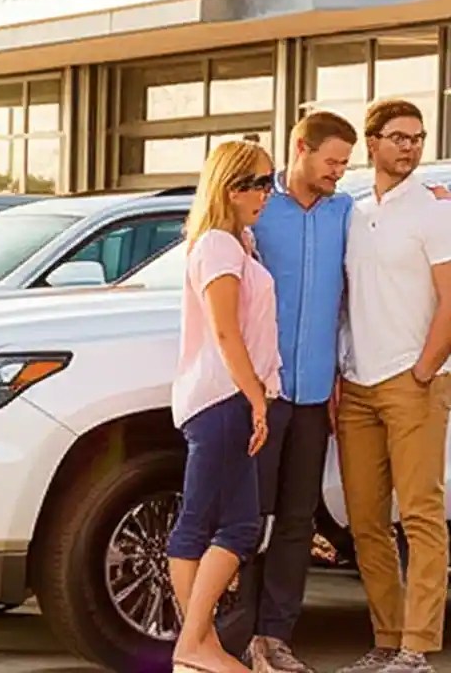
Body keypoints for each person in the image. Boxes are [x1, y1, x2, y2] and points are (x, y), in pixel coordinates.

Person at [334, 99, 451, 673]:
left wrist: (425, 369)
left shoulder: (435, 210)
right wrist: (340, 372)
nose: (409, 147)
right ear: (372, 142)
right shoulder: (354, 214)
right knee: (366, 521)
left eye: (417, 137)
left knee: (421, 516)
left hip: (414, 381)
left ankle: (417, 648)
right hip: (357, 387)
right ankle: (386, 639)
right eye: (398, 137)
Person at [239, 111, 357, 672]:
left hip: (314, 397)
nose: (339, 172)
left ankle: (275, 638)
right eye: (332, 161)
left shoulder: (345, 212)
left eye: (345, 164)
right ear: (302, 149)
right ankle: (235, 634)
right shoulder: (260, 209)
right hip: (261, 393)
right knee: (247, 518)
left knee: (295, 521)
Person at [168, 139, 280, 673]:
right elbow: (225, 330)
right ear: (231, 188)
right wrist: (256, 398)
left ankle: (199, 646)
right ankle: (195, 645)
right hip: (222, 399)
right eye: (258, 184)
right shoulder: (217, 245)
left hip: (229, 398)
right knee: (204, 524)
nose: (266, 194)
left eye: (269, 183)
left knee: (237, 528)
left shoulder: (238, 242)